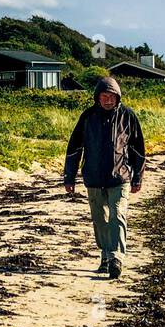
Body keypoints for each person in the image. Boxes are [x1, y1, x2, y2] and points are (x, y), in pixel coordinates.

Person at [63, 75, 145, 280]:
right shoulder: (87, 117)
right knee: (100, 221)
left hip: (121, 177)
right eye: (104, 96)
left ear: (118, 97)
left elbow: (138, 150)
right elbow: (74, 149)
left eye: (112, 96)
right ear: (97, 98)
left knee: (118, 216)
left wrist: (137, 178)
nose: (108, 100)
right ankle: (105, 256)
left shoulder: (128, 116)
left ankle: (116, 258)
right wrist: (69, 177)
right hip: (93, 178)